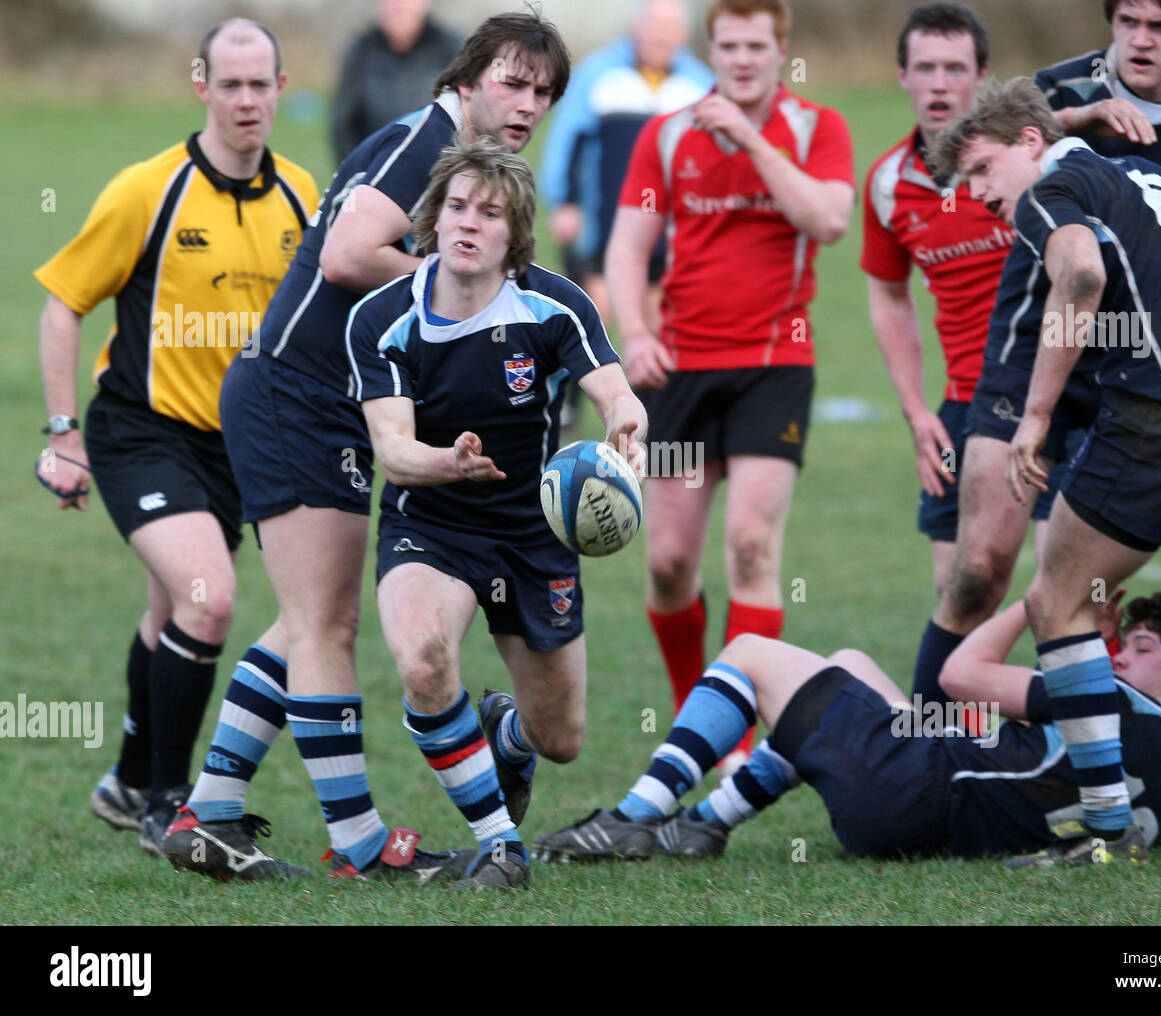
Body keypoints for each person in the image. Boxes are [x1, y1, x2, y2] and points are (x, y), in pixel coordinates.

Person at [162, 10, 572, 884]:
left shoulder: (458, 160)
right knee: (328, 624)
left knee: (306, 617)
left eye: (543, 91)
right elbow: (349, 254)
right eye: (511, 80)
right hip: (294, 393)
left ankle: (210, 811)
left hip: (326, 402)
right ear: (464, 80)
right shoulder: (425, 138)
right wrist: (467, 282)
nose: (528, 103)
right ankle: (357, 845)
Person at [913, 0, 1161, 843]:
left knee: (1058, 603)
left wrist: (1036, 416)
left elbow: (1080, 279)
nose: (978, 197)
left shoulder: (1054, 187)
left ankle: (1107, 828)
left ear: (1027, 141)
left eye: (979, 172)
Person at [35, 19, 318, 855]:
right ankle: (168, 801)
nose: (244, 101)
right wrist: (61, 436)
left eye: (258, 85)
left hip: (239, 449)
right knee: (210, 597)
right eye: (227, 84)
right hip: (139, 433)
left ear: (280, 88)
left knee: (172, 609)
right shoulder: (147, 190)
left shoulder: (304, 196)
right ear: (202, 86)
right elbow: (62, 305)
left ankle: (126, 780)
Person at [347, 137, 647, 889]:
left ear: (514, 236)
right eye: (455, 207)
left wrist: (625, 420)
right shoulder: (384, 317)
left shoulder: (552, 302)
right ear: (432, 217)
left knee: (562, 739)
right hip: (433, 524)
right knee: (422, 659)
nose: (468, 223)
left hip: (534, 534)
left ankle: (506, 736)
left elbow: (613, 386)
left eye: (489, 212)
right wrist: (447, 463)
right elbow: (391, 448)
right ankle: (499, 844)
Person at [606, 0, 855, 772]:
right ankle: (698, 717)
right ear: (710, 50)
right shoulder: (667, 134)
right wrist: (637, 336)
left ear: (781, 50)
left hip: (774, 368)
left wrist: (750, 138)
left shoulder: (818, 129)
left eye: (757, 46)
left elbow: (827, 220)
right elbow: (626, 243)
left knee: (751, 544)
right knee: (670, 563)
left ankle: (734, 742)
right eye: (729, 46)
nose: (742, 59)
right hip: (680, 373)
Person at [531, 591, 1161, 864]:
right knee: (849, 664)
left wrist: (1042, 599)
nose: (1114, 655)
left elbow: (960, 674)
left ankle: (630, 816)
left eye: (1139, 649)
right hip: (933, 816)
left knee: (746, 653)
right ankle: (704, 824)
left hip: (911, 785)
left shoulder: (1107, 699)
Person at [865, 3, 1042, 606]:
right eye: (926, 68)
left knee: (1067, 592)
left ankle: (1074, 704)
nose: (939, 84)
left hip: (1062, 397)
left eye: (954, 68)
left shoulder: (1030, 163)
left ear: (982, 74)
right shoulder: (888, 183)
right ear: (903, 76)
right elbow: (889, 297)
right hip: (966, 405)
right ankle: (960, 705)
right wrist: (917, 412)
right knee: (958, 588)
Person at [539, 0, 711, 323]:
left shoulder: (701, 86)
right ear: (637, 27)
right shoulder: (597, 74)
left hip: (673, 235)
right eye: (655, 27)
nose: (662, 38)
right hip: (603, 228)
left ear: (684, 35)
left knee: (663, 336)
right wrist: (563, 201)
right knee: (589, 328)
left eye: (670, 29)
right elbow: (566, 141)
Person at [331, 0, 463, 164]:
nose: (398, 6)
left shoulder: (449, 46)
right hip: (374, 168)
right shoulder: (361, 50)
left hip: (437, 167)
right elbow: (343, 125)